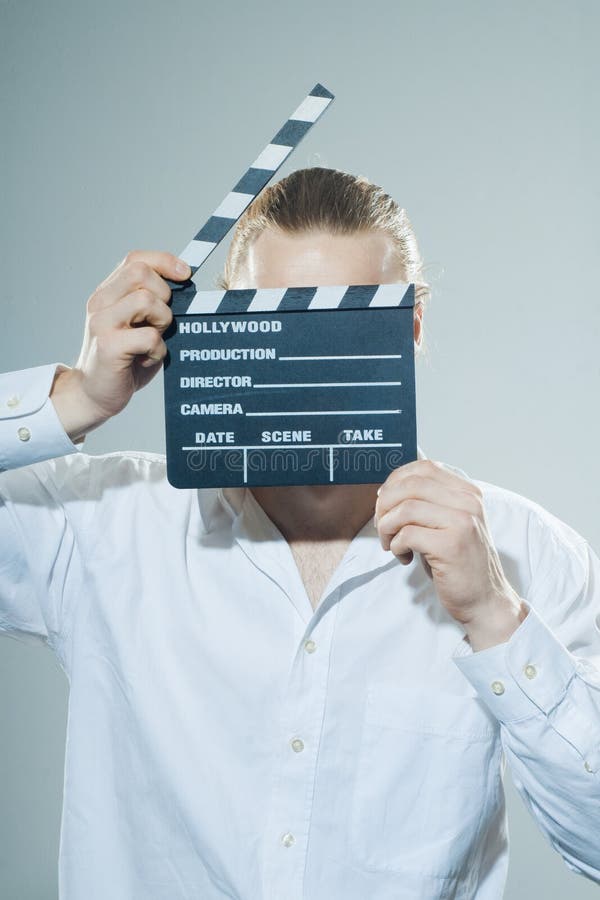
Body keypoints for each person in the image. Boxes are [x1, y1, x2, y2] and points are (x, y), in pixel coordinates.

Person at [1, 167, 599, 900]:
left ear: (411, 326)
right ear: (219, 326)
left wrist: (496, 621)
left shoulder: (524, 554)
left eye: (353, 319)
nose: (312, 360)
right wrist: (71, 400)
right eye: (273, 315)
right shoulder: (103, 526)